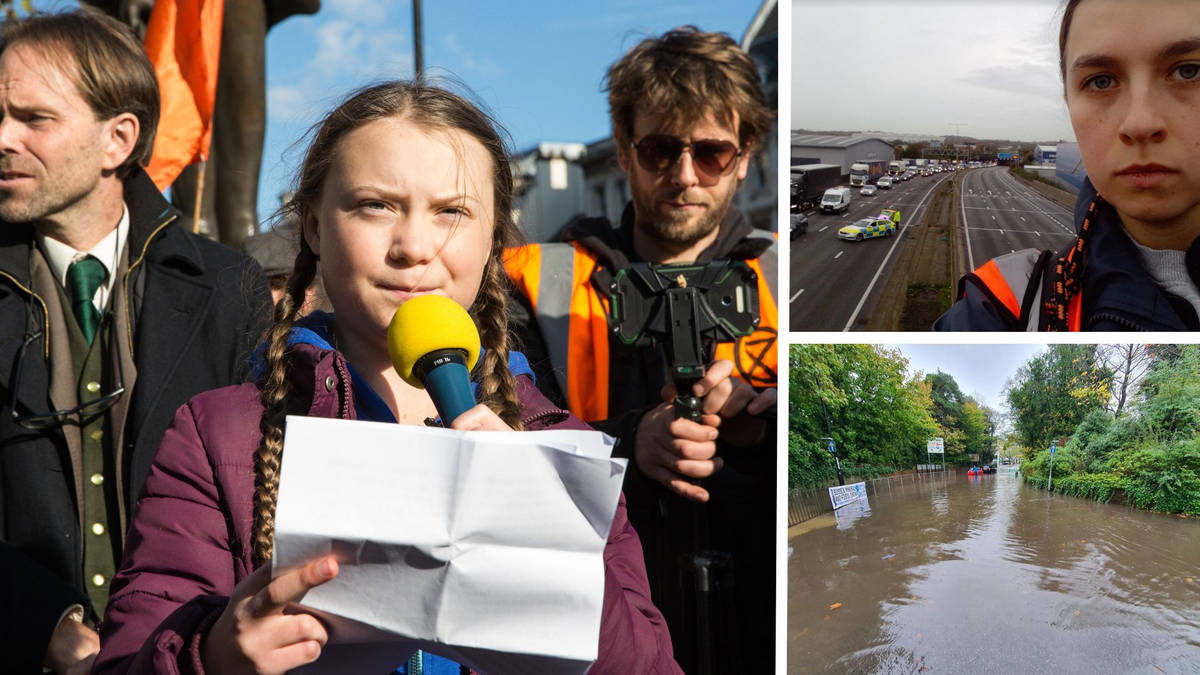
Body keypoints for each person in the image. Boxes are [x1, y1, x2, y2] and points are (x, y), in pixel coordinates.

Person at [92, 81, 678, 675]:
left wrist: (552, 539)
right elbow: (127, 656)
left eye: (452, 212)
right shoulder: (216, 435)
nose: (413, 247)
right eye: (375, 205)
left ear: (494, 238)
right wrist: (212, 654)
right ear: (314, 227)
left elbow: (648, 664)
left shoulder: (558, 443)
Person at [0, 10, 270, 675]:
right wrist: (43, 622)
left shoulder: (229, 288)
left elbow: (259, 500)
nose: (3, 138)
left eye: (33, 119)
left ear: (117, 139)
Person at [504, 27, 777, 673]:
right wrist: (629, 442)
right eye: (659, 149)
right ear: (625, 151)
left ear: (745, 155)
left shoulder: (791, 283)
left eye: (711, 152)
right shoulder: (535, 281)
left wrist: (758, 436)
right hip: (604, 631)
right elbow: (503, 458)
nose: (684, 176)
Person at [935, 0, 1200, 331]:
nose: (1140, 123)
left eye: (1189, 71)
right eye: (1101, 81)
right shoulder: (1004, 305)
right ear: (1069, 101)